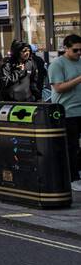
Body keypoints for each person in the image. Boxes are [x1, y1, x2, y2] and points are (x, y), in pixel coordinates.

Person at [47, 34, 81, 193]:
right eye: (75, 50)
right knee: (71, 146)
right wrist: (79, 79)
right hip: (66, 111)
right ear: (66, 48)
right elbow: (58, 88)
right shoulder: (57, 65)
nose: (79, 53)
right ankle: (73, 178)